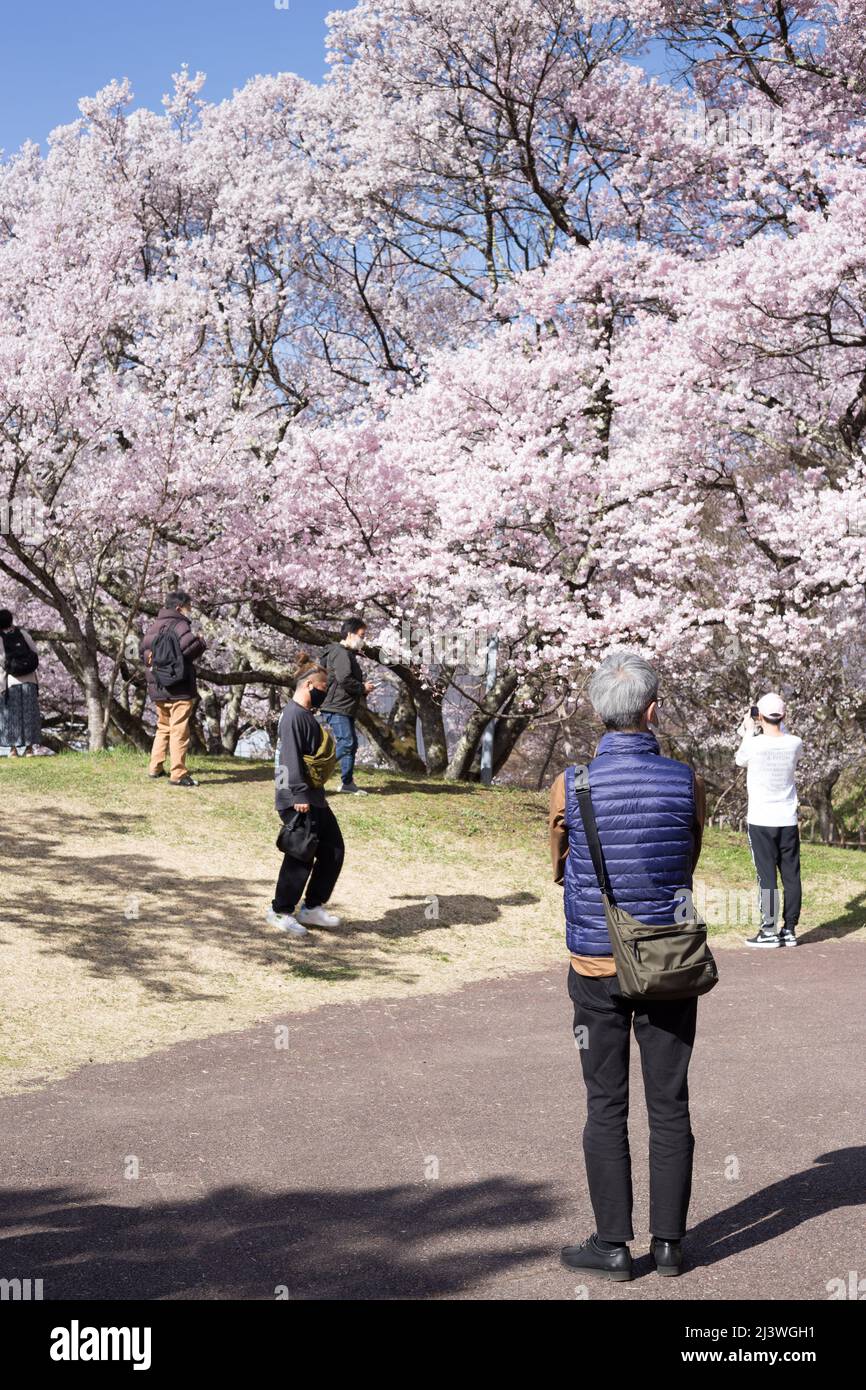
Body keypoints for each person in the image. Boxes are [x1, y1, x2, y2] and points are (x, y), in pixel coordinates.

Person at [549, 651, 706, 1283]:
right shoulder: (686, 780)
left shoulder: (572, 783)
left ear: (597, 713)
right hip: (668, 961)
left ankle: (612, 1246)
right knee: (670, 1101)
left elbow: (559, 864)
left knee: (605, 1102)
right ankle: (669, 1246)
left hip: (596, 963)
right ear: (652, 710)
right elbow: (687, 856)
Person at [269, 653, 344, 938]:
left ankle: (312, 907)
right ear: (309, 684)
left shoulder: (306, 715)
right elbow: (287, 758)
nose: (325, 693)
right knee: (300, 855)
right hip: (298, 797)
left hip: (314, 797)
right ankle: (281, 911)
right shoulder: (292, 716)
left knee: (333, 850)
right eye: (323, 687)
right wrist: (297, 794)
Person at [736, 692, 803, 948]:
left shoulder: (754, 744)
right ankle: (790, 930)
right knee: (791, 875)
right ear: (784, 716)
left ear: (760, 716)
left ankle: (768, 931)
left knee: (767, 876)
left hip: (761, 818)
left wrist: (748, 729)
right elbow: (783, 739)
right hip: (787, 818)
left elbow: (740, 759)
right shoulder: (795, 742)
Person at [141, 591, 207, 788]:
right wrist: (201, 642)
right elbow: (188, 649)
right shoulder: (180, 625)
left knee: (163, 726)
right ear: (179, 608)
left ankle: (155, 767)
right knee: (179, 729)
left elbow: (143, 654)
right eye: (188, 607)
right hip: (179, 685)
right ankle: (178, 774)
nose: (190, 610)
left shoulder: (153, 626)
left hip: (158, 685)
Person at [320, 617, 375, 795]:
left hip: (344, 706)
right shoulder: (341, 653)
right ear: (350, 634)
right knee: (347, 742)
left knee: (351, 744)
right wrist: (362, 687)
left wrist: (363, 688)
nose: (363, 639)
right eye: (362, 635)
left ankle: (347, 783)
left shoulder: (345, 653)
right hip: (337, 706)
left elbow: (344, 679)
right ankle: (313, 773)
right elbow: (344, 679)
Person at [0, 609, 41, 756]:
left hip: (10, 681)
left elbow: (2, 660)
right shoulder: (22, 633)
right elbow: (35, 652)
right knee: (29, 714)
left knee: (11, 716)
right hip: (29, 680)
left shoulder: (0, 637)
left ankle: (13, 750)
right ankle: (29, 749)